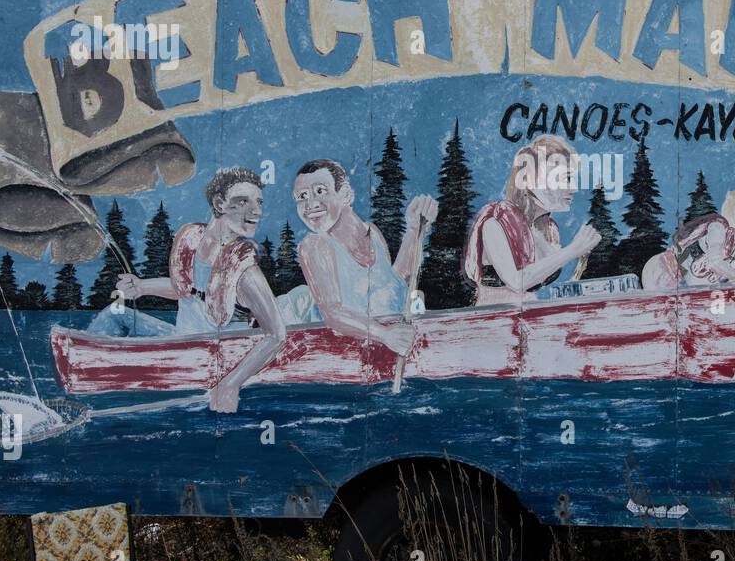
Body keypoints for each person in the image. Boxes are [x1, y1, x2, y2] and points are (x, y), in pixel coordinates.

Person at [86, 167, 288, 413]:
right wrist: (141, 287)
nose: (255, 211)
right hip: (181, 342)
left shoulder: (246, 271)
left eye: (258, 202)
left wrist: (230, 384)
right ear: (219, 203)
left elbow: (276, 334)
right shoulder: (193, 241)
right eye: (242, 202)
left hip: (211, 358)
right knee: (113, 315)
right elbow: (187, 290)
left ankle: (92, 369)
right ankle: (88, 364)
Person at [292, 159, 437, 356]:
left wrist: (414, 230)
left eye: (319, 191)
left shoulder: (372, 233)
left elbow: (394, 283)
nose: (310, 204)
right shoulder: (314, 246)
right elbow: (333, 313)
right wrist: (385, 334)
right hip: (338, 352)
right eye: (302, 196)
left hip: (384, 347)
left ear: (345, 194)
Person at [462, 135, 600, 307]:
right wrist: (573, 250)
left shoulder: (548, 229)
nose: (573, 188)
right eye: (564, 178)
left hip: (531, 319)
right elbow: (516, 280)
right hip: (494, 321)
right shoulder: (495, 221)